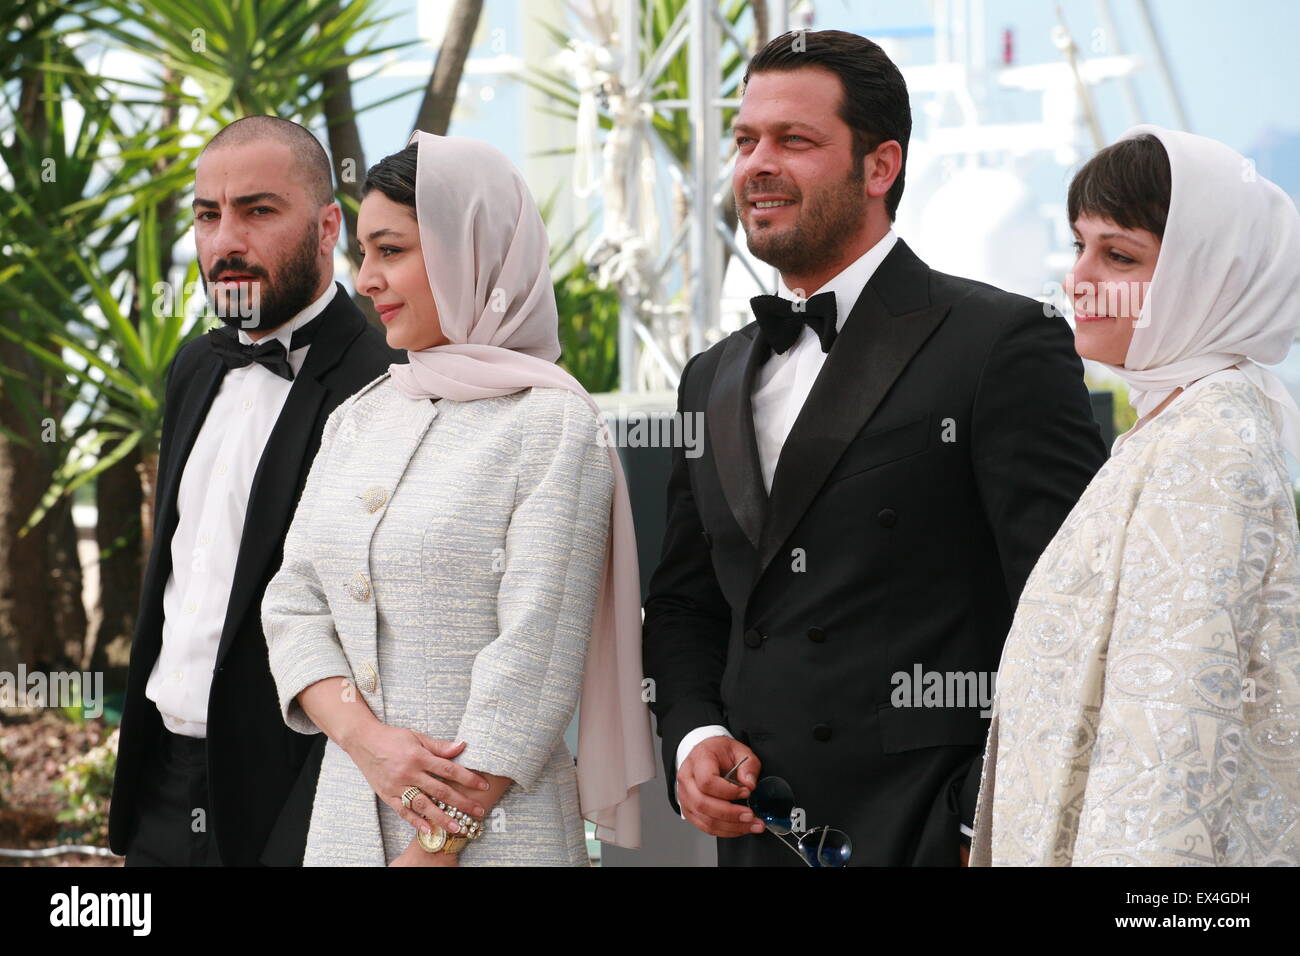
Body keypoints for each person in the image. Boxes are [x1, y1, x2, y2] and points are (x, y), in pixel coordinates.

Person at [641, 29, 1109, 867]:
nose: (757, 163)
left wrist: (974, 818)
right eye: (746, 140)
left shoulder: (1001, 342)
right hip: (762, 837)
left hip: (929, 835)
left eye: (795, 140)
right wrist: (693, 734)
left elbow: (1072, 612)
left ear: (880, 166)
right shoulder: (707, 378)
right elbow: (684, 602)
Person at [260, 130, 655, 866]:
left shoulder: (552, 424)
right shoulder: (361, 415)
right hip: (348, 820)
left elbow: (533, 663)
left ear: (472, 251)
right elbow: (292, 604)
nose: (367, 278)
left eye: (392, 250)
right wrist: (369, 744)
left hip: (496, 841)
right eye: (363, 254)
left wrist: (436, 847)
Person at [971, 126, 1300, 866]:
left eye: (1118, 255)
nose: (1078, 277)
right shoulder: (1178, 426)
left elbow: (1173, 738)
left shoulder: (1209, 446)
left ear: (1211, 276)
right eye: (1078, 245)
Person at [108, 116, 404, 866]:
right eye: (208, 215)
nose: (224, 241)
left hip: (295, 789)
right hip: (161, 784)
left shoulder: (386, 383)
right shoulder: (192, 368)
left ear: (329, 225)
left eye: (258, 211)